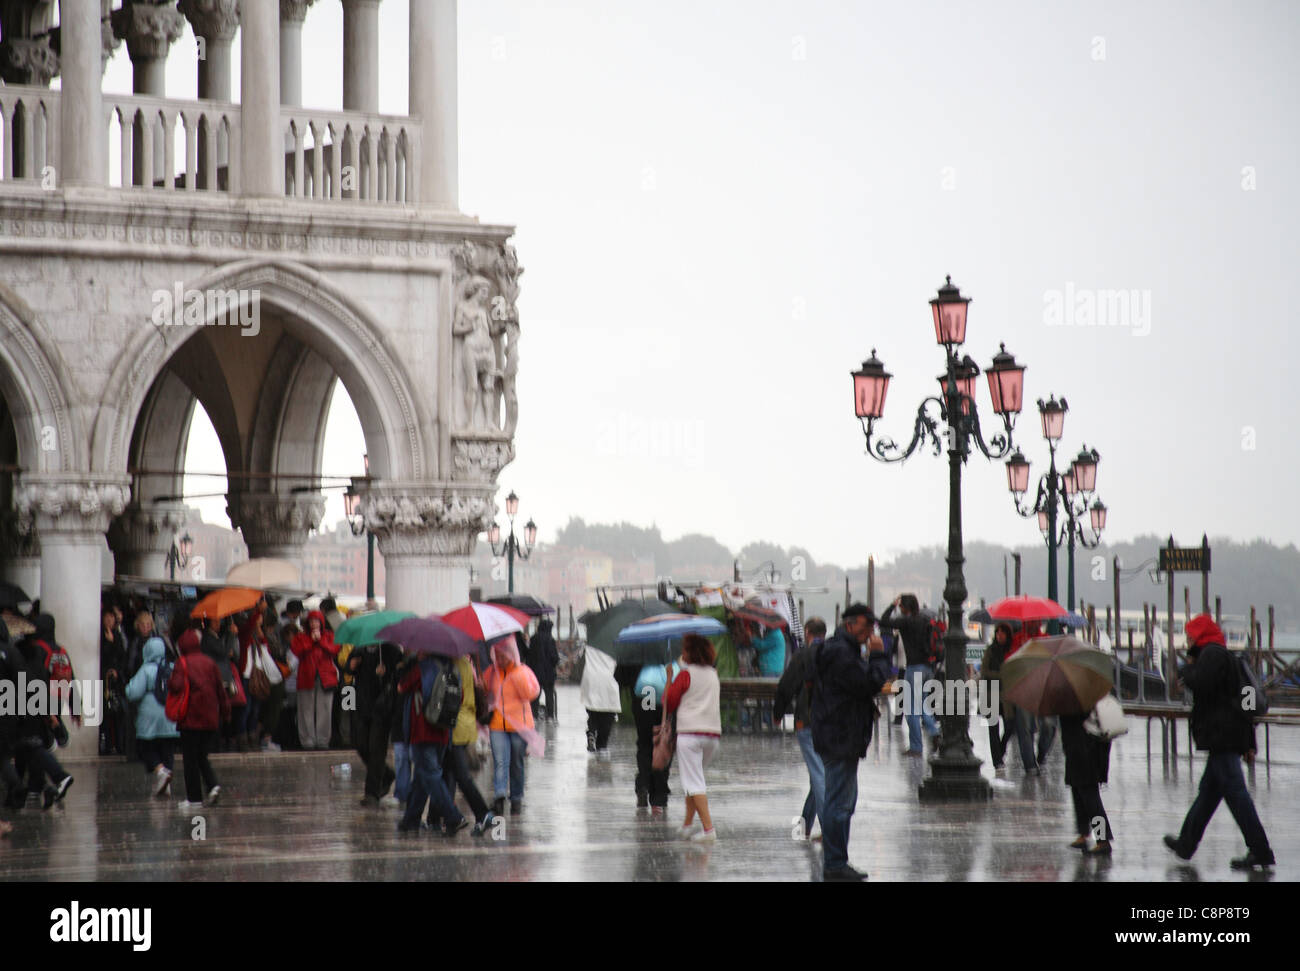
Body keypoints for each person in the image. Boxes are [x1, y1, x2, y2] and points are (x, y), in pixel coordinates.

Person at [1164, 614, 1275, 870]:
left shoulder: (1212, 655)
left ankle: (1260, 850)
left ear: (1200, 636)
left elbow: (1201, 683)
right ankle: (1186, 845)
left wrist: (1186, 669)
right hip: (1227, 735)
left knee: (1236, 794)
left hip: (1222, 736)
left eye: (1190, 636)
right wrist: (1248, 742)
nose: (1187, 640)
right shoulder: (1220, 655)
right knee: (1209, 793)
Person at [811, 603, 891, 881]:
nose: (869, 631)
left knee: (843, 802)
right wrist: (879, 655)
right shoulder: (841, 653)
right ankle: (835, 864)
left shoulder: (841, 650)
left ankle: (837, 862)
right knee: (839, 804)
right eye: (865, 625)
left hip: (840, 735)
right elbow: (869, 683)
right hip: (839, 736)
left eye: (871, 627)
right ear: (849, 624)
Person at [395, 654, 468, 836]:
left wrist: (404, 669)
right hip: (443, 731)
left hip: (422, 731)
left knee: (431, 775)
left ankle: (454, 816)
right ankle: (410, 819)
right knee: (422, 776)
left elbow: (401, 687)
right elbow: (460, 696)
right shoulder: (453, 668)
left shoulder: (422, 668)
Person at [663, 633, 721, 842]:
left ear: (692, 652)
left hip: (690, 734)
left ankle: (708, 830)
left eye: (685, 650)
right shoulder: (713, 674)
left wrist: (669, 679)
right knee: (694, 779)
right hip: (712, 735)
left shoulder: (685, 675)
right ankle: (687, 824)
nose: (682, 653)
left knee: (694, 782)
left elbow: (669, 703)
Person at [775, 617, 827, 840]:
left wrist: (778, 714)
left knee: (818, 775)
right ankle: (805, 827)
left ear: (807, 632)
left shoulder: (803, 655)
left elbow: (786, 686)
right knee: (820, 773)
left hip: (807, 720)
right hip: (832, 723)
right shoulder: (833, 654)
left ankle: (829, 831)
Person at [15, 615, 74, 809]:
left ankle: (41, 784)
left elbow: (35, 676)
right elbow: (71, 678)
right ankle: (36, 786)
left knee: (33, 743)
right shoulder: (61, 650)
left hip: (41, 703)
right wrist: (76, 707)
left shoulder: (38, 648)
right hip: (56, 701)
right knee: (37, 743)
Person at [168, 628, 229, 809]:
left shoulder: (182, 662)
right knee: (202, 755)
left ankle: (194, 798)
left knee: (190, 759)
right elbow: (220, 689)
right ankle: (212, 785)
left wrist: (171, 681)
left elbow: (176, 686)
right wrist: (225, 712)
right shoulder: (210, 663)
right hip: (210, 717)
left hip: (190, 719)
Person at [435, 653, 494, 835]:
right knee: (449, 773)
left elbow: (451, 698)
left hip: (456, 726)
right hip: (465, 722)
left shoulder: (452, 667)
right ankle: (449, 819)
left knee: (461, 776)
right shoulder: (465, 664)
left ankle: (482, 814)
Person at [482, 636, 541, 815]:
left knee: (516, 763)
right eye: (496, 655)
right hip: (497, 725)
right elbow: (486, 696)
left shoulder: (523, 671)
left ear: (511, 654)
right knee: (500, 762)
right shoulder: (491, 673)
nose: (499, 659)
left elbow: (530, 694)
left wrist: (517, 674)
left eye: (503, 655)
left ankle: (516, 798)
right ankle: (499, 797)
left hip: (520, 726)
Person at [880, 594, 940, 755]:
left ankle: (927, 738)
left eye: (901, 607)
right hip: (928, 668)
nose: (900, 609)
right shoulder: (925, 619)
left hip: (914, 668)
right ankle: (925, 739)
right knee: (922, 704)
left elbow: (884, 621)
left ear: (905, 607)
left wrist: (892, 605)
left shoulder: (906, 621)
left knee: (912, 708)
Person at [124, 635, 180, 797]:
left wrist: (127, 689)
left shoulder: (146, 669)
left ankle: (160, 771)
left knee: (144, 747)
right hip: (170, 715)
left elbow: (133, 693)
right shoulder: (171, 667)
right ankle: (166, 782)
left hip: (149, 717)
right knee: (167, 749)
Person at [349, 640, 400, 807]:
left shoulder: (390, 650)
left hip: (382, 707)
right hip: (363, 705)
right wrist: (352, 666)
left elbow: (399, 672)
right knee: (361, 744)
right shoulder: (359, 649)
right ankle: (386, 774)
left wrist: (386, 672)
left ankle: (371, 792)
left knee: (376, 749)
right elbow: (348, 669)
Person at [1061, 708, 1113, 855]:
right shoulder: (1071, 693)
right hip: (1075, 746)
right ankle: (1083, 834)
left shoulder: (1082, 695)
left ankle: (1103, 840)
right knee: (1078, 791)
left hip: (1085, 747)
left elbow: (1083, 715)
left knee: (1089, 796)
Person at [630, 658, 678, 815]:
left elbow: (621, 677)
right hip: (666, 697)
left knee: (644, 742)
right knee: (664, 742)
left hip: (644, 695)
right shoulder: (673, 648)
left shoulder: (639, 649)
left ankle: (643, 783)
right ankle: (658, 797)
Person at [291, 610, 339, 750]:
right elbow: (296, 650)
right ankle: (307, 741)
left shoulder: (329, 636)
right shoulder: (301, 637)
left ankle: (323, 740)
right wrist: (311, 641)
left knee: (325, 709)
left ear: (322, 623)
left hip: (326, 678)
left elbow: (335, 649)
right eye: (311, 621)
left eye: (316, 621)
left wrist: (321, 641)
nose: (314, 624)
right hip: (306, 677)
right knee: (306, 709)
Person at [979, 623, 1018, 770]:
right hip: (992, 692)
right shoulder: (991, 650)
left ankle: (1000, 751)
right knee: (993, 728)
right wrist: (1000, 675)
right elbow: (984, 671)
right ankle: (997, 760)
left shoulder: (1012, 650)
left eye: (1002, 633)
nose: (999, 636)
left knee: (1010, 726)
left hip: (1007, 694)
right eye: (997, 633)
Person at [580, 643, 620, 760]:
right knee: (608, 714)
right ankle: (602, 746)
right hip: (608, 680)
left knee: (592, 711)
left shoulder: (590, 645)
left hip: (590, 678)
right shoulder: (614, 645)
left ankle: (592, 731)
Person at [530, 618, 560, 722]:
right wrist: (555, 662)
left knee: (535, 695)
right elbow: (554, 657)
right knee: (549, 695)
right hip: (548, 673)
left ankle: (533, 715)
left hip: (535, 673)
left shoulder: (533, 639)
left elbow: (530, 656)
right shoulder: (550, 639)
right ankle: (550, 717)